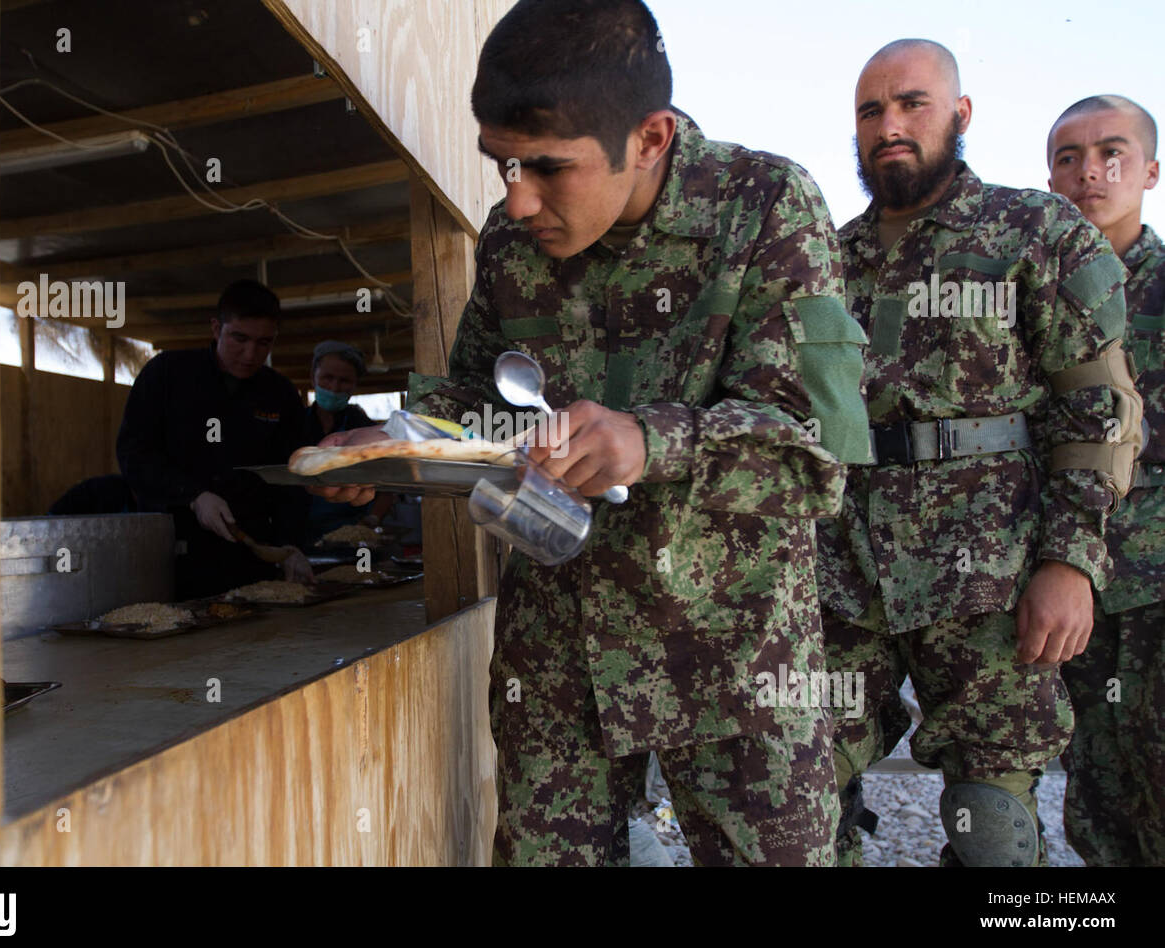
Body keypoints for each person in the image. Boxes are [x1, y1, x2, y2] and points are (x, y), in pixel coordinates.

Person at [312, 0, 870, 865]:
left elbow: (819, 452)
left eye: (548, 169)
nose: (518, 199)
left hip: (734, 652)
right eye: (500, 166)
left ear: (649, 139)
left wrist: (652, 442)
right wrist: (398, 442)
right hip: (558, 649)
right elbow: (479, 404)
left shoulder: (768, 206)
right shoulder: (508, 236)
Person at [817, 39, 1140, 867]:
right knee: (801, 799)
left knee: (990, 823)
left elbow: (1097, 406)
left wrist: (1071, 562)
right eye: (870, 111)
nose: (889, 126)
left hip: (991, 578)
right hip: (840, 576)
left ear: (960, 115)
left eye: (911, 104)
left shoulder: (1035, 231)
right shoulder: (822, 258)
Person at [1047, 94, 1164, 866]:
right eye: (1068, 157)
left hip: (1156, 588)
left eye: (1111, 153)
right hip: (1073, 587)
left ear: (1150, 170)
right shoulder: (1037, 301)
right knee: (1095, 804)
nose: (1090, 172)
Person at [116, 279, 314, 599]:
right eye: (240, 338)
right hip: (171, 554)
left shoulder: (280, 394)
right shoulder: (167, 375)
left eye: (264, 343)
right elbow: (134, 454)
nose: (251, 354)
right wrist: (193, 495)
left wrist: (290, 545)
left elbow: (292, 477)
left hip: (252, 555)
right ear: (215, 328)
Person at [298, 340, 395, 548]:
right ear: (312, 378)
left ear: (354, 385)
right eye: (327, 378)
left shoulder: (365, 429)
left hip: (351, 538)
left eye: (344, 381)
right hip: (301, 535)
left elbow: (388, 487)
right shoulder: (294, 425)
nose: (334, 388)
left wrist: (372, 520)